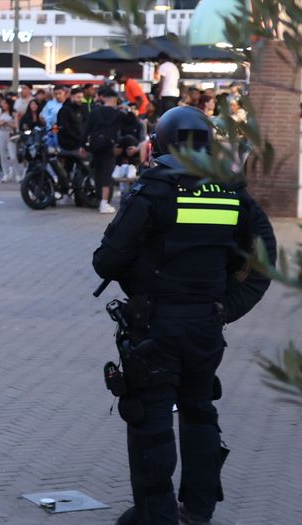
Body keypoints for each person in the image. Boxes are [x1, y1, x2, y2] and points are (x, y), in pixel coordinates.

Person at [92, 106, 276, 525]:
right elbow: (263, 260)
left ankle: (156, 515)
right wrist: (226, 307)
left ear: (159, 144)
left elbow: (106, 261)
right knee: (199, 412)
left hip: (155, 327)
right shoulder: (233, 192)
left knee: (150, 420)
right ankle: (197, 509)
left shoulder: (153, 190)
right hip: (206, 328)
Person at [81, 87, 123, 214]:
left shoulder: (95, 112)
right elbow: (120, 132)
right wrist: (119, 146)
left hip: (96, 145)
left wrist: (82, 146)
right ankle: (104, 203)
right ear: (114, 100)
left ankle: (99, 199)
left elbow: (86, 129)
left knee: (98, 172)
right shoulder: (117, 114)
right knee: (107, 174)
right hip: (109, 147)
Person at [0, 96, 22, 183]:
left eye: (4, 103)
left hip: (10, 134)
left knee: (13, 156)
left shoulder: (14, 114)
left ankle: (17, 174)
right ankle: (5, 174)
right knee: (2, 155)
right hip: (1, 134)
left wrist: (8, 123)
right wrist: (0, 124)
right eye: (2, 103)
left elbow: (16, 127)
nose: (3, 105)